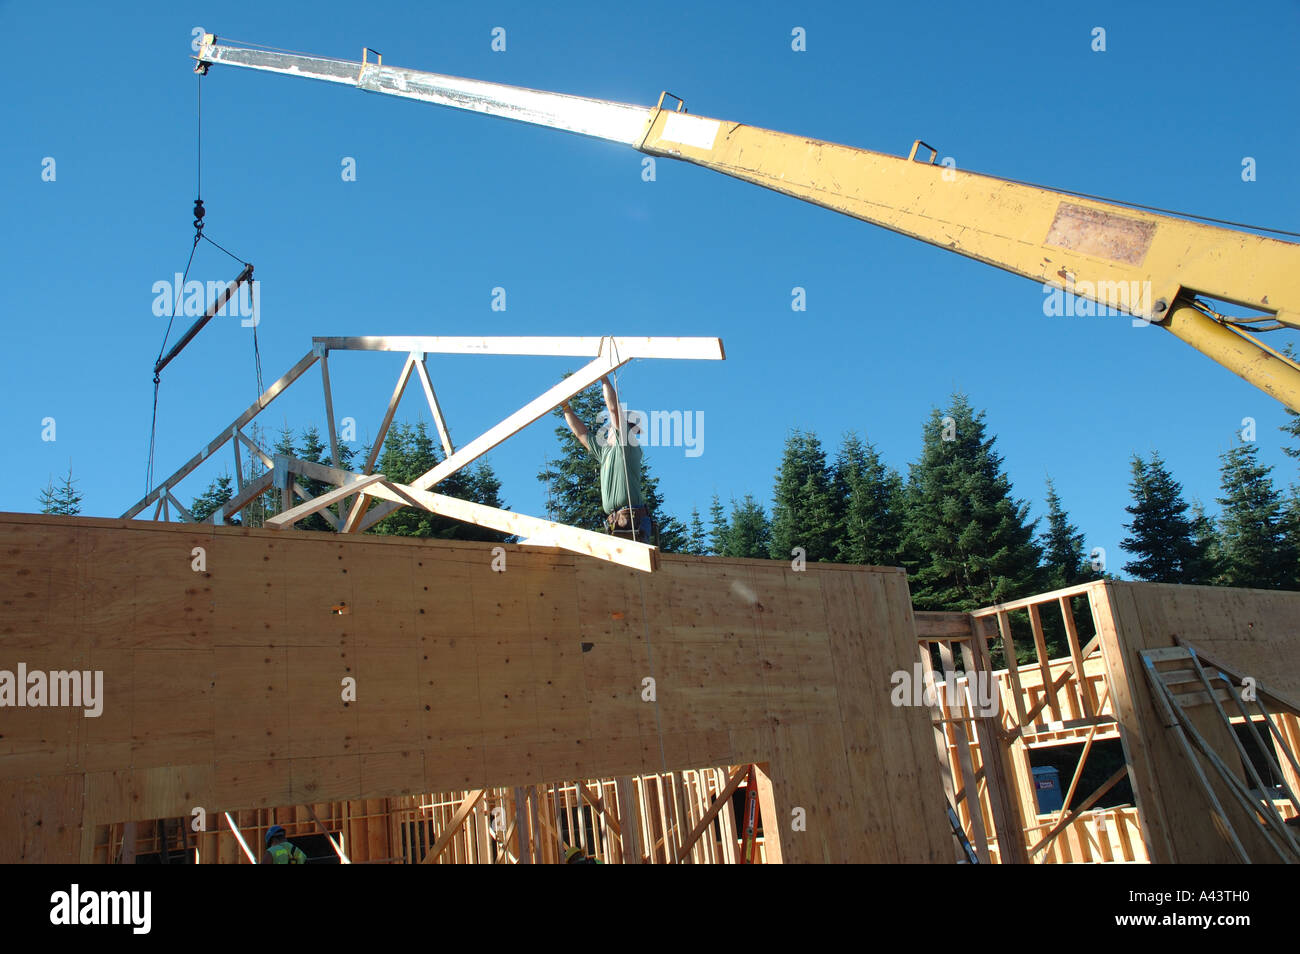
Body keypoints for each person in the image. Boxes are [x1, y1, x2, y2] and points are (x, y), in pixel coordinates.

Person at [561, 376, 653, 543]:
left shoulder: (626, 444)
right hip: (617, 523)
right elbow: (582, 434)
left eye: (613, 426)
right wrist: (565, 407)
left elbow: (613, 409)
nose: (609, 428)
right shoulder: (605, 452)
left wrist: (603, 377)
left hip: (632, 521)